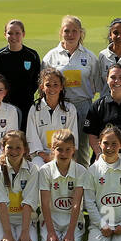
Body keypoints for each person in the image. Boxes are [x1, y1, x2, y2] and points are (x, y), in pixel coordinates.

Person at [42, 15, 99, 160]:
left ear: (81, 33)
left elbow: (96, 84)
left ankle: (81, 180)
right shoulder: (51, 57)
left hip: (83, 107)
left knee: (81, 148)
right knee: (59, 147)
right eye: (67, 31)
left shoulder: (90, 57)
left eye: (75, 31)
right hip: (59, 106)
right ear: (61, 32)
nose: (71, 35)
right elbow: (44, 85)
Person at [38, 130, 88, 241]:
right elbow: (44, 204)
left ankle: (77, 240)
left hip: (73, 220)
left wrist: (70, 233)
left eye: (68, 149)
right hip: (51, 220)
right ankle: (52, 238)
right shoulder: (45, 170)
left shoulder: (81, 170)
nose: (64, 154)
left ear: (73, 150)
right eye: (59, 149)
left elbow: (77, 204)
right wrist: (50, 232)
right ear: (53, 149)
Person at [0, 130, 41, 241]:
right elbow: (1, 204)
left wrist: (25, 232)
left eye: (18, 147)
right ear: (3, 148)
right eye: (9, 147)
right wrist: (7, 234)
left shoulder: (33, 169)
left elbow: (28, 203)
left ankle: (21, 235)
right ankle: (8, 236)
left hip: (25, 219)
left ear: (25, 149)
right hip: (1, 218)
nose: (14, 151)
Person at [0, 19, 41, 127]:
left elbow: (37, 79)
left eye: (17, 33)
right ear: (5, 34)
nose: (13, 36)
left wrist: (27, 93)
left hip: (26, 104)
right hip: (4, 104)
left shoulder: (32, 55)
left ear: (23, 34)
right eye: (10, 33)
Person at [26, 67, 80, 163]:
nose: (52, 88)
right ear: (42, 87)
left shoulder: (70, 109)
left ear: (61, 86)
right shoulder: (35, 109)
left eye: (56, 84)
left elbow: (72, 136)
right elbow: (31, 136)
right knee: (37, 165)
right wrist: (44, 155)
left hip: (64, 153)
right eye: (48, 85)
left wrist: (60, 154)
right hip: (41, 155)